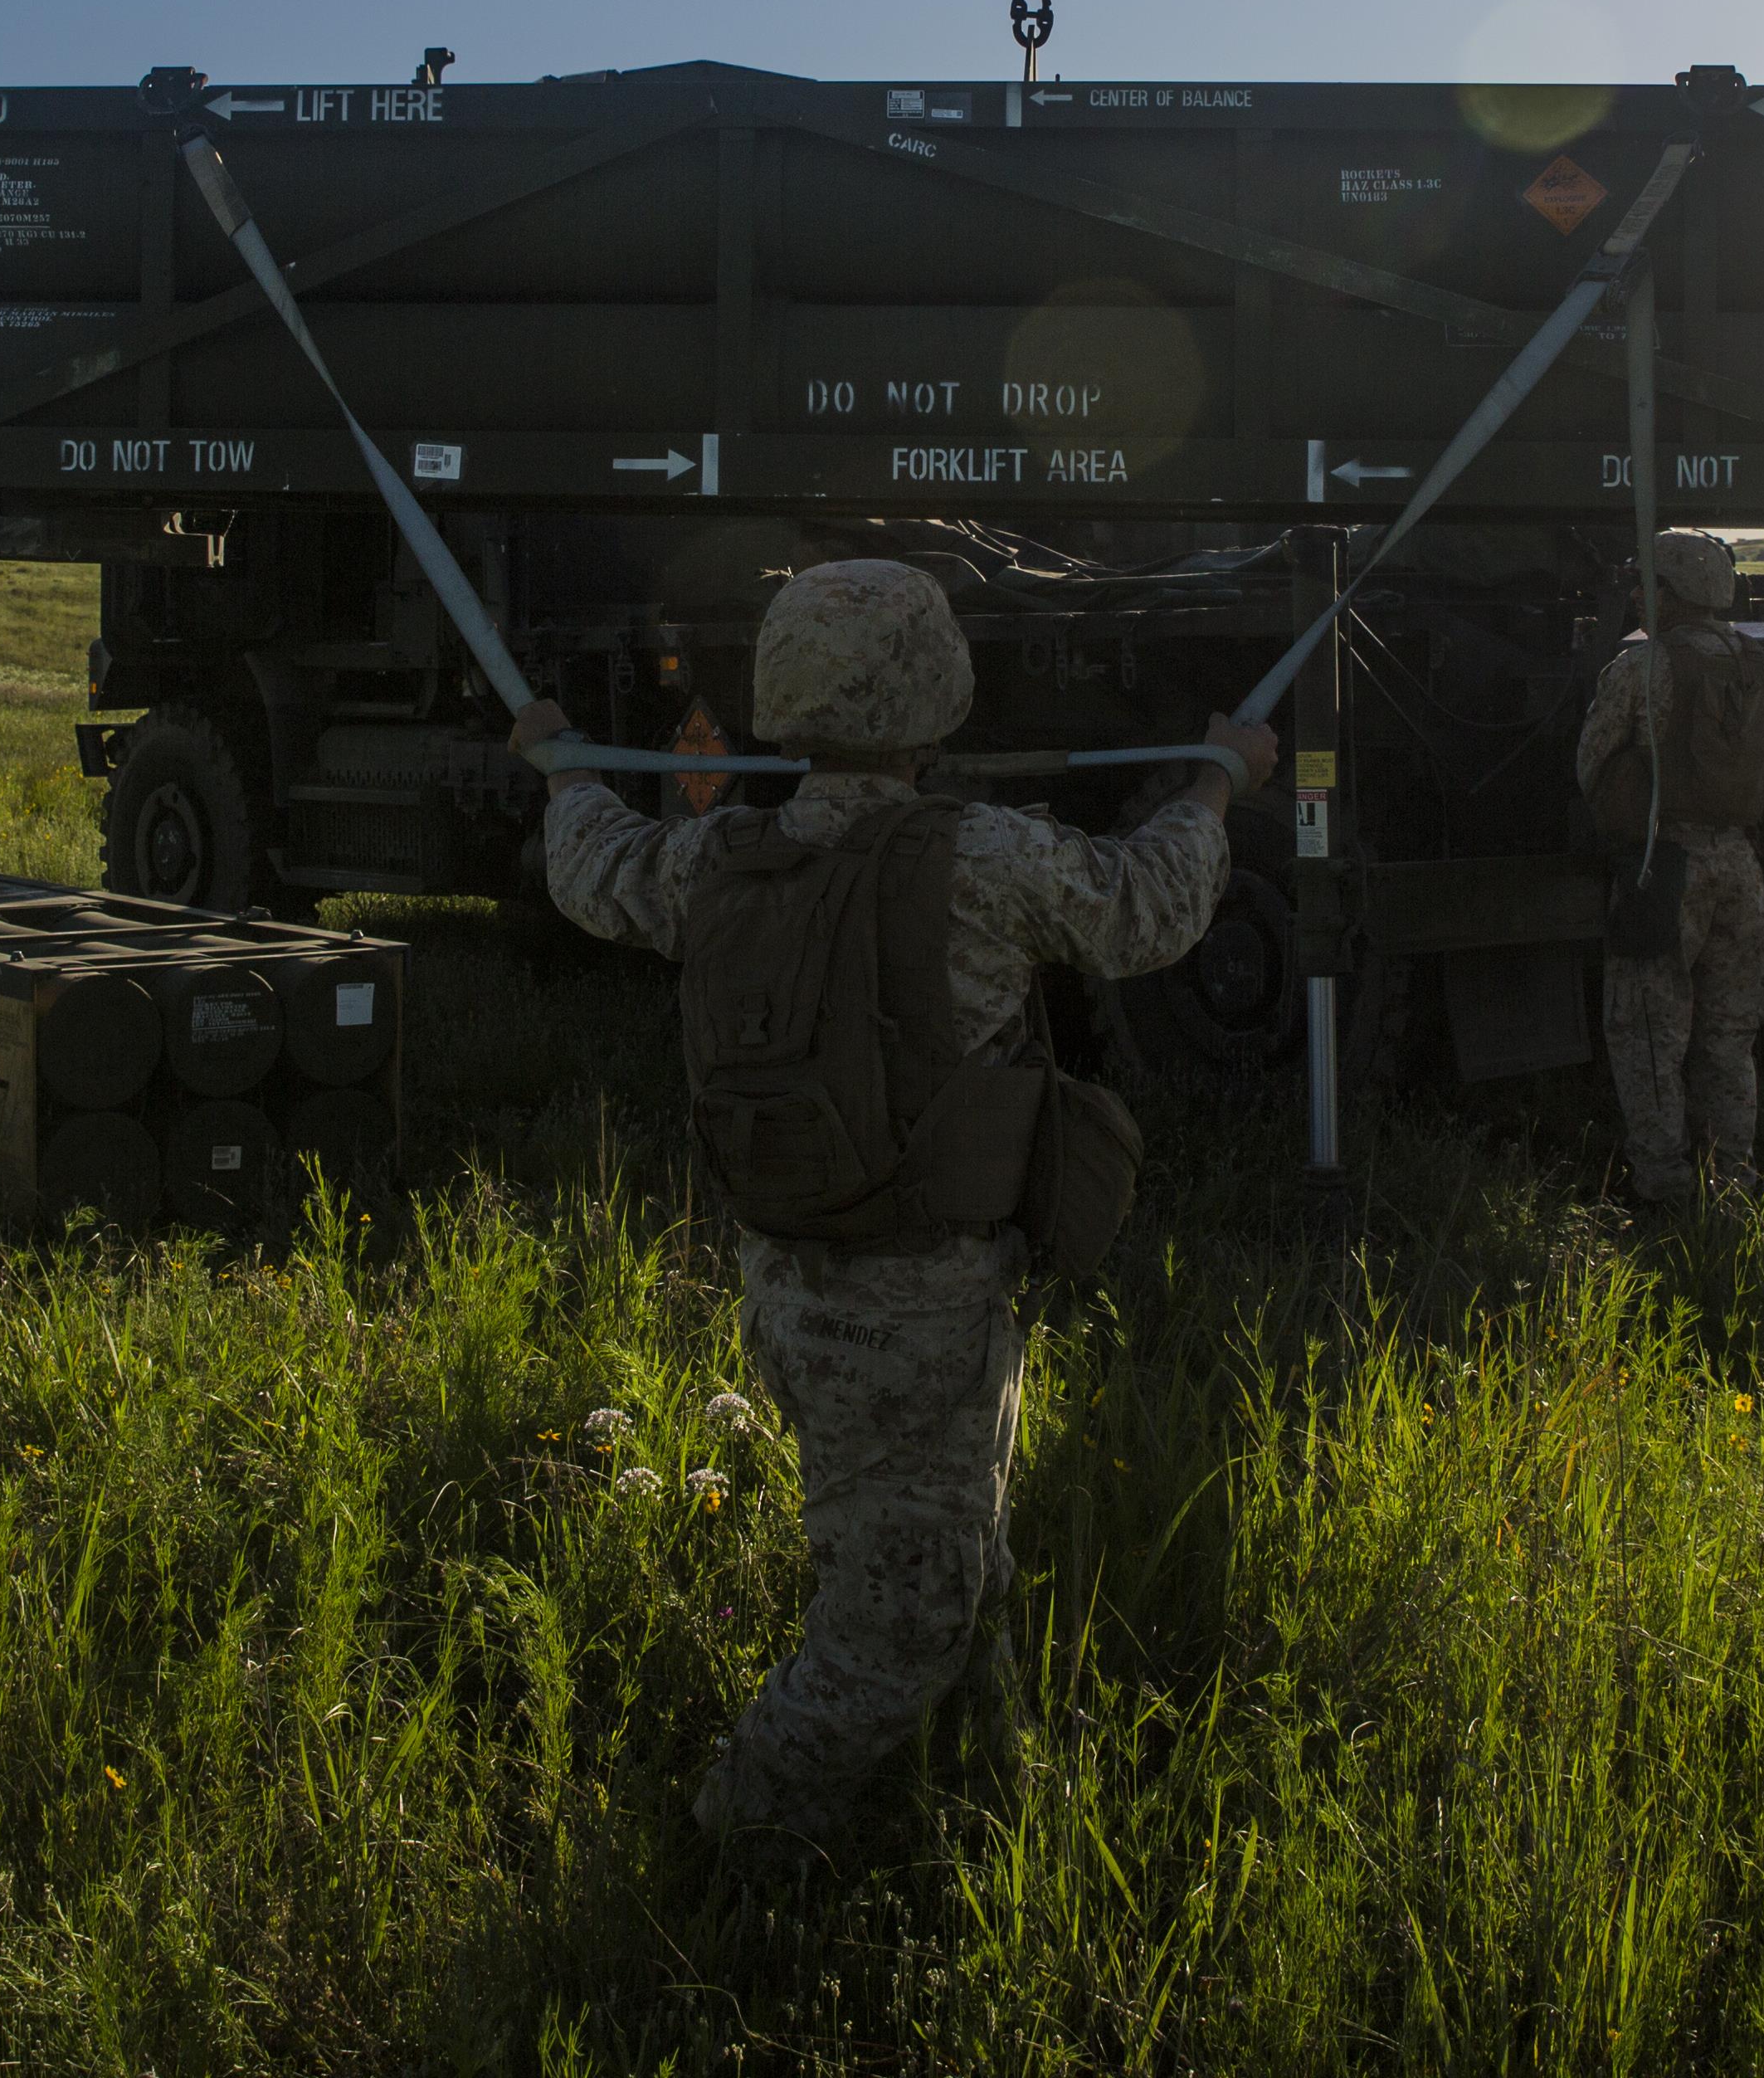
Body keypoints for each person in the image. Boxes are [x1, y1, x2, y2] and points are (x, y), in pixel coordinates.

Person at [512, 558, 1274, 1869]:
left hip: (791, 1283)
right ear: (937, 692)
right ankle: (718, 1860)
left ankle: (983, 1807)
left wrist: (559, 765)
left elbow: (595, 869)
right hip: (917, 1301)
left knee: (956, 1558)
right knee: (895, 1630)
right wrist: (1220, 778)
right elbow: (1151, 907)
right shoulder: (979, 859)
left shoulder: (722, 854)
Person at [1575, 527, 1764, 1208]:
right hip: (1742, 873)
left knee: (1651, 1036)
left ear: (1674, 592)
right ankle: (1732, 1186)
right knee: (1730, 1036)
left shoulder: (1640, 668)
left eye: (1647, 583)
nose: (1636, 594)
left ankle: (1663, 1189)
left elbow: (1591, 765)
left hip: (1664, 871)